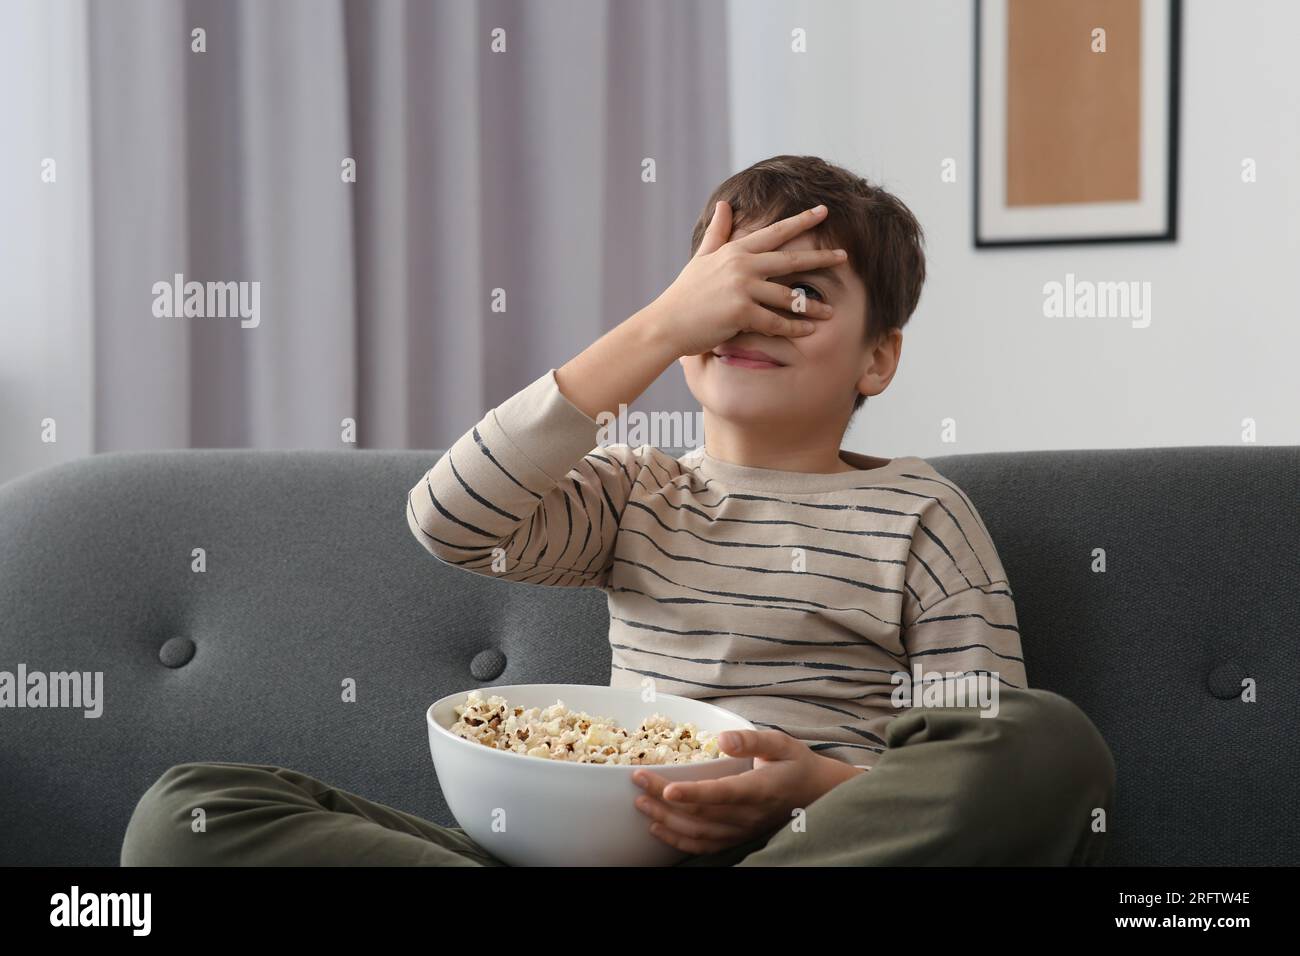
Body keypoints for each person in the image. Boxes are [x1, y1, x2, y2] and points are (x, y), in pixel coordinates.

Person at [121, 155, 1114, 866]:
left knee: (1046, 744)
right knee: (192, 814)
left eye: (800, 293)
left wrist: (809, 786)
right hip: (591, 844)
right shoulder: (635, 489)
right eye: (725, 289)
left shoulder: (920, 512)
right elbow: (450, 518)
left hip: (817, 843)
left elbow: (977, 746)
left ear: (878, 357)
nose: (751, 317)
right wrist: (649, 328)